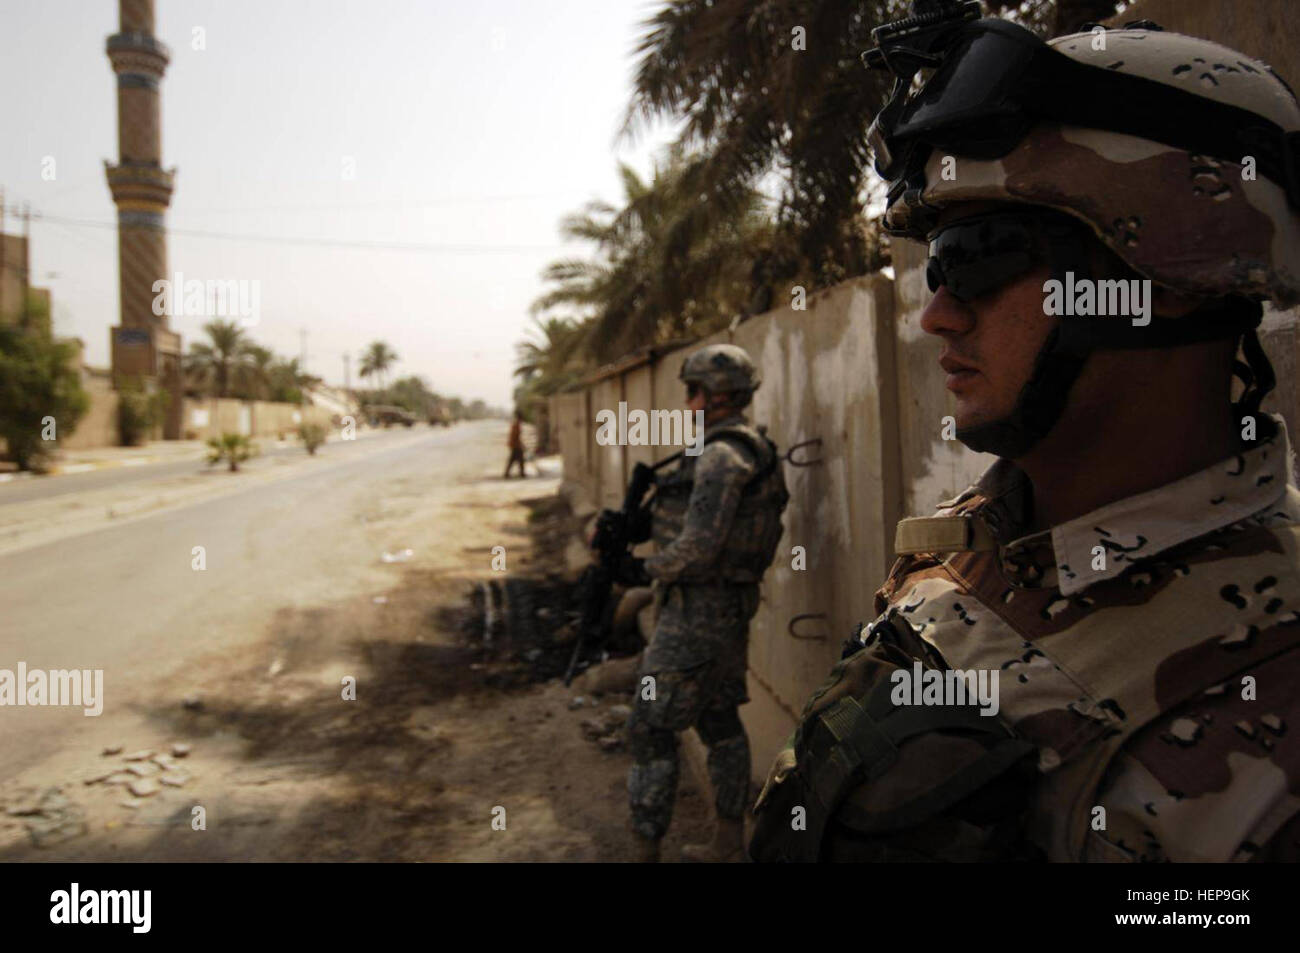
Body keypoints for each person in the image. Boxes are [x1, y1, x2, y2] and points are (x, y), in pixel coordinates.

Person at [752, 11, 1300, 862]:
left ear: (1177, 271)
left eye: (980, 254)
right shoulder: (979, 529)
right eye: (937, 267)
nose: (935, 315)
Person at [620, 343, 788, 862]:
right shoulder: (739, 447)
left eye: (694, 390)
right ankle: (729, 841)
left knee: (649, 725)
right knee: (718, 722)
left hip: (700, 613)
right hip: (722, 607)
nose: (689, 400)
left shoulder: (721, 455)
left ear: (716, 395)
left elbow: (700, 545)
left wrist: (643, 571)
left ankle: (645, 850)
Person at [504, 410, 526, 478]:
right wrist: (521, 445)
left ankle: (508, 473)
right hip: (515, 445)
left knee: (514, 459)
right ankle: (521, 473)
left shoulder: (516, 424)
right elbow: (516, 436)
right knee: (519, 459)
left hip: (514, 444)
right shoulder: (517, 425)